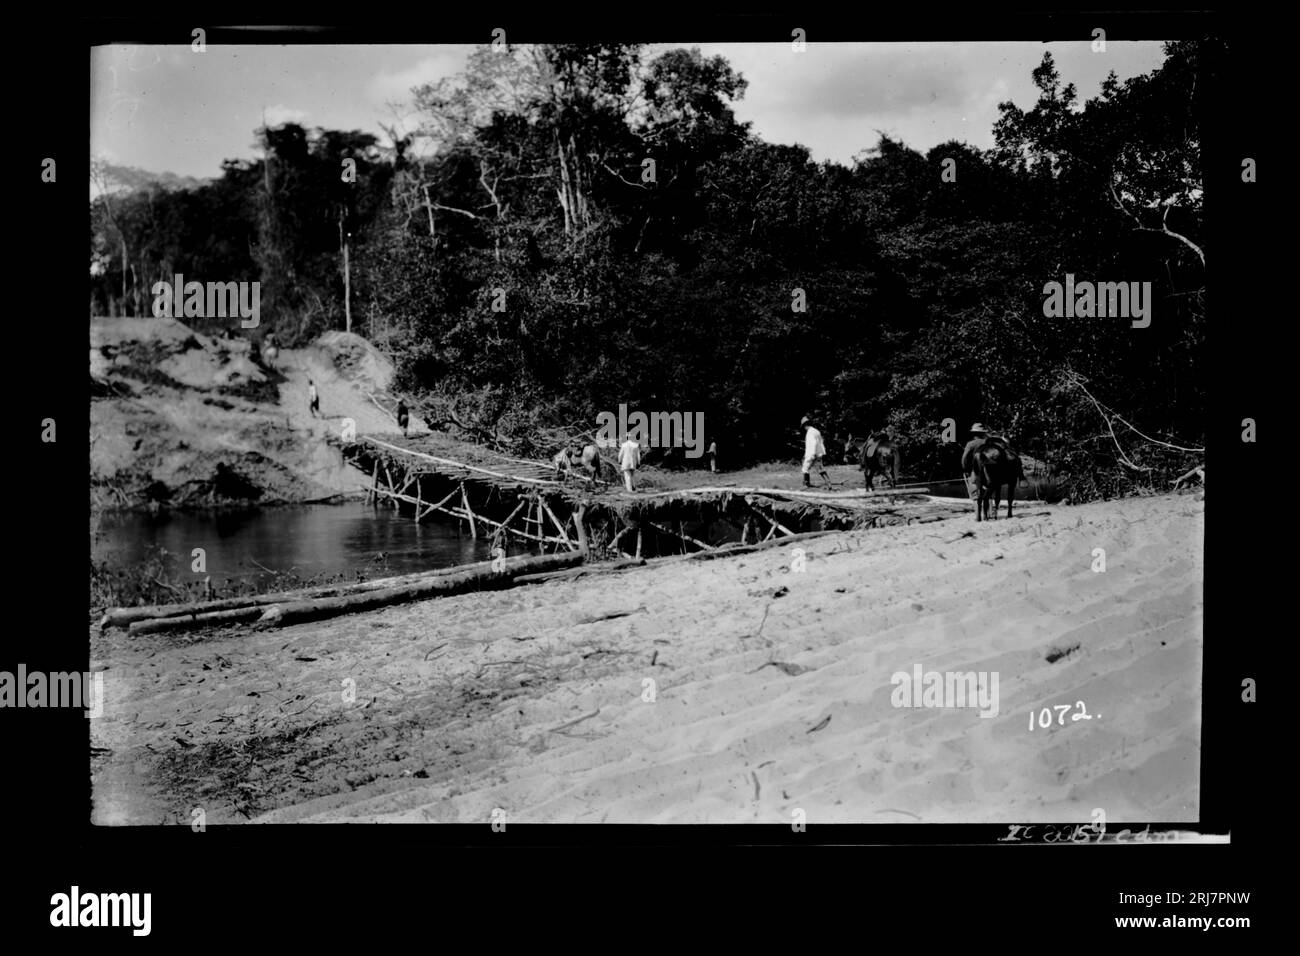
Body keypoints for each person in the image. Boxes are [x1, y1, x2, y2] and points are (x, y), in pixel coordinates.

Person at [961, 423, 991, 499]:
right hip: (989, 472)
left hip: (974, 472)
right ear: (983, 433)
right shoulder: (990, 443)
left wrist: (965, 469)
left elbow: (964, 458)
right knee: (988, 493)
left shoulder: (970, 444)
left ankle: (977, 507)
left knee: (975, 495)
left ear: (973, 433)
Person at [801, 416, 830, 488]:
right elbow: (821, 443)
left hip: (812, 453)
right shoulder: (816, 431)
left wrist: (811, 454)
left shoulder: (810, 433)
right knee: (820, 468)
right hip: (819, 453)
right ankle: (828, 482)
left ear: (805, 425)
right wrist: (822, 453)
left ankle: (806, 484)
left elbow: (812, 444)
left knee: (805, 468)